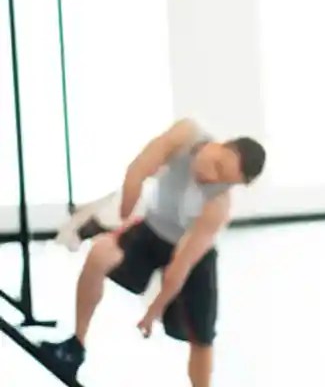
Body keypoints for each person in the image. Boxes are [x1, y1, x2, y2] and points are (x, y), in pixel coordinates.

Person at [37, 118, 266, 386]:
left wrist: (153, 311)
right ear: (220, 145)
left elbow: (180, 265)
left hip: (192, 256)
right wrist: (123, 212)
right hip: (151, 230)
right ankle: (74, 347)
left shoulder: (218, 205)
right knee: (100, 254)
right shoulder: (186, 135)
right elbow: (138, 169)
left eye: (225, 180)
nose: (212, 178)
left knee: (202, 339)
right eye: (217, 166)